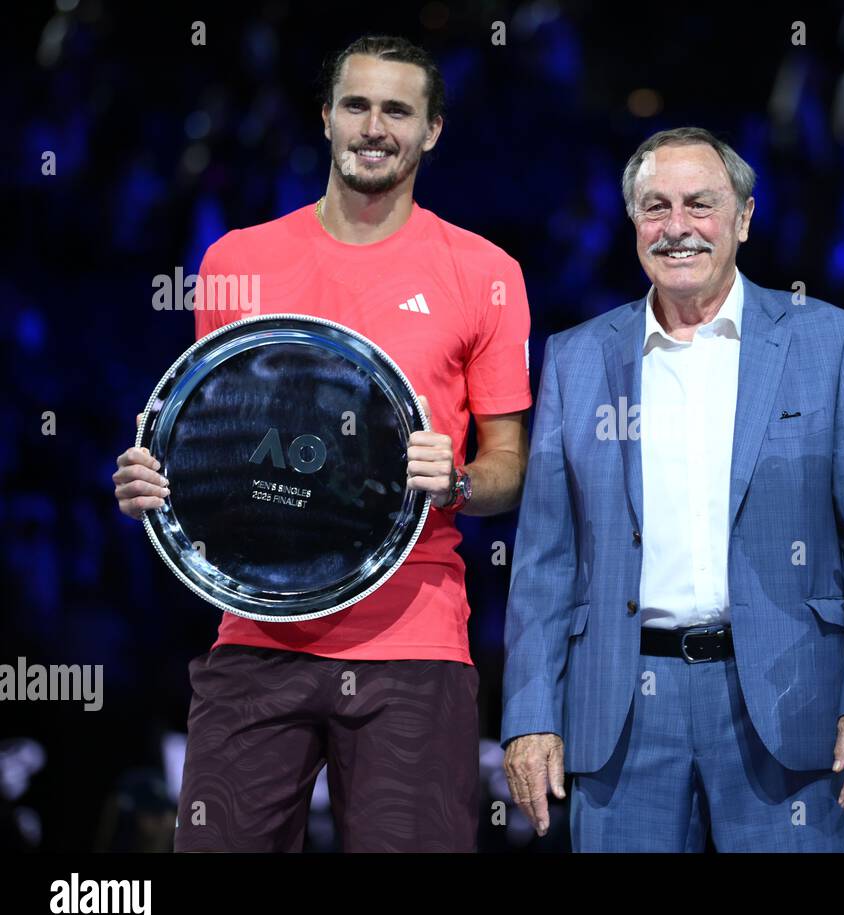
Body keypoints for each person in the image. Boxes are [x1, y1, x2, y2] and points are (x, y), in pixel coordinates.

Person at [112, 35, 532, 852]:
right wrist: (158, 483)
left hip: (415, 640)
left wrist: (457, 481)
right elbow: (217, 445)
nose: (375, 127)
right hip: (256, 634)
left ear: (432, 130)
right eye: (357, 105)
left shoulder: (485, 271)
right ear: (328, 118)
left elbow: (509, 466)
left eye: (398, 111)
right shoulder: (235, 261)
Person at [501, 127, 844, 852]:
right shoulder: (575, 358)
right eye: (656, 207)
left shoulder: (828, 339)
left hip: (793, 705)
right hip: (618, 713)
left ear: (744, 219)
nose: (678, 227)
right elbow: (543, 558)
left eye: (700, 204)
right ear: (633, 224)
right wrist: (531, 711)